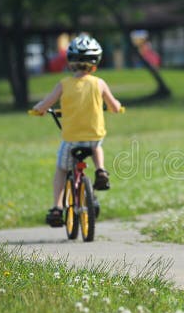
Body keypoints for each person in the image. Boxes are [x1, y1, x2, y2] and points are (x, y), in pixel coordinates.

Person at [31, 34, 122, 227]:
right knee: (97, 144)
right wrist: (118, 107)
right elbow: (113, 106)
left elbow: (46, 103)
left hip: (71, 139)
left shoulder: (63, 84)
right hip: (93, 137)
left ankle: (57, 208)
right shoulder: (99, 83)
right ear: (95, 64)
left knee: (62, 169)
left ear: (70, 63)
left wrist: (38, 110)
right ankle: (100, 170)